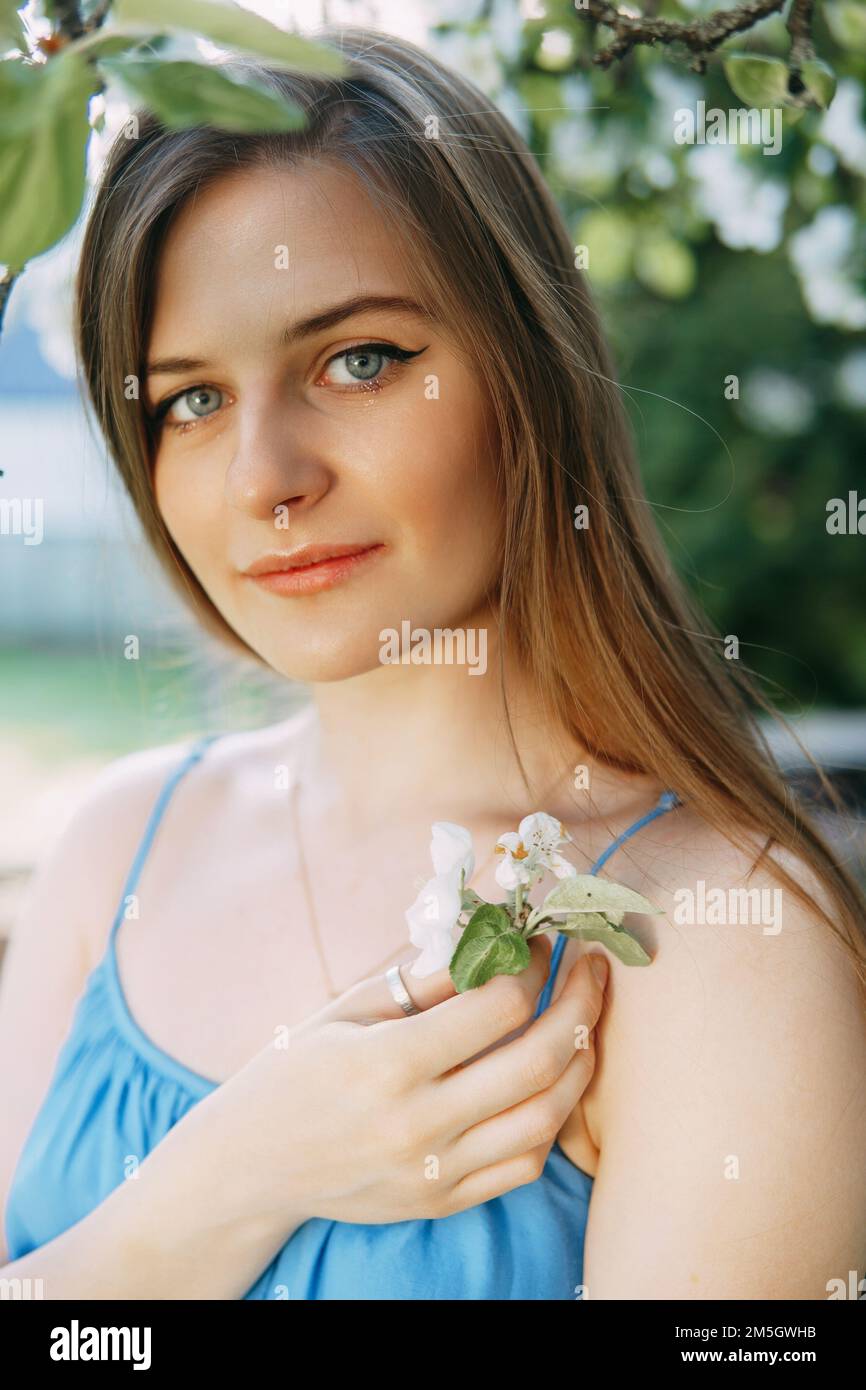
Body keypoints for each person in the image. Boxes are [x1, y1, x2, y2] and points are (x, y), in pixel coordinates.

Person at [1, 25, 864, 1301]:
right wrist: (228, 1183)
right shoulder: (111, 854)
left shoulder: (718, 945)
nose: (266, 480)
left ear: (526, 369)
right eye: (190, 400)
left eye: (358, 361)